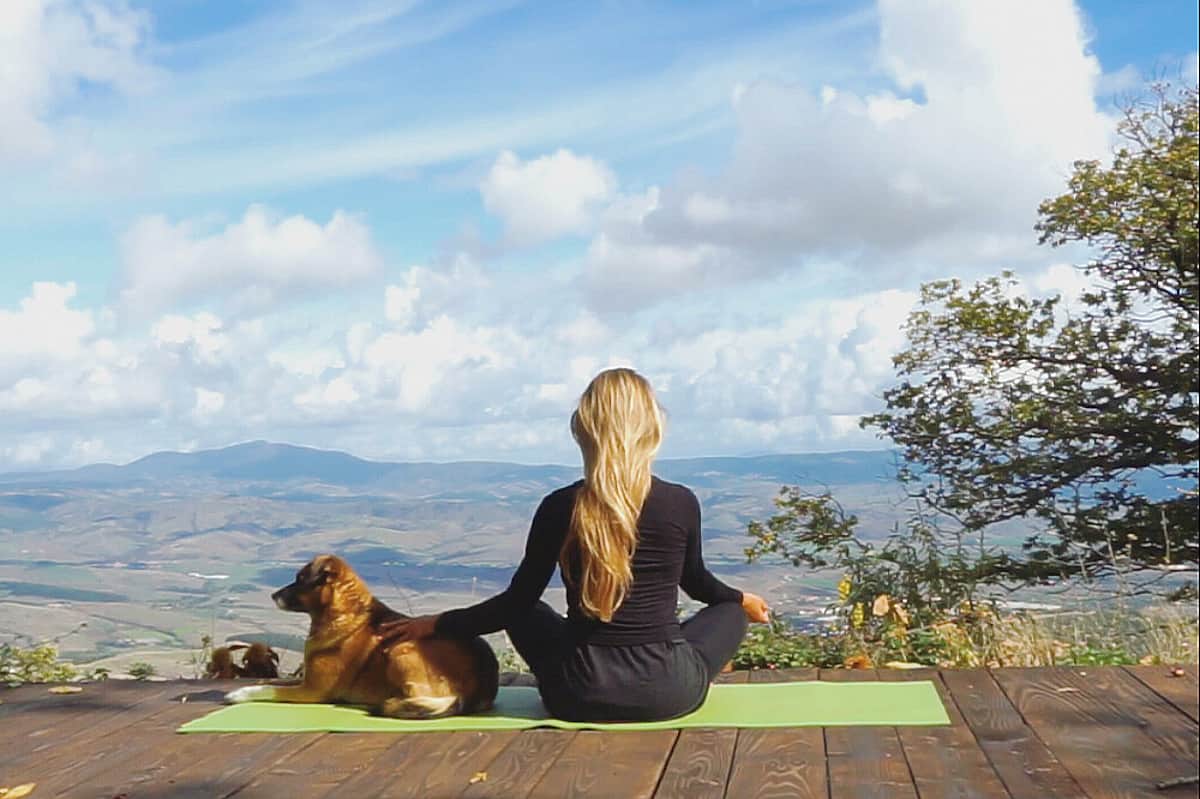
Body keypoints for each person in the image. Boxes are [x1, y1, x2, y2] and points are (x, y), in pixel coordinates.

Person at [381, 368, 770, 722]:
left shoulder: (559, 507)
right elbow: (698, 583)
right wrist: (740, 599)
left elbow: (514, 605)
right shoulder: (680, 502)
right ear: (652, 429)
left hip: (578, 693)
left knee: (525, 609)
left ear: (583, 429)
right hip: (668, 693)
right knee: (730, 611)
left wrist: (435, 624)